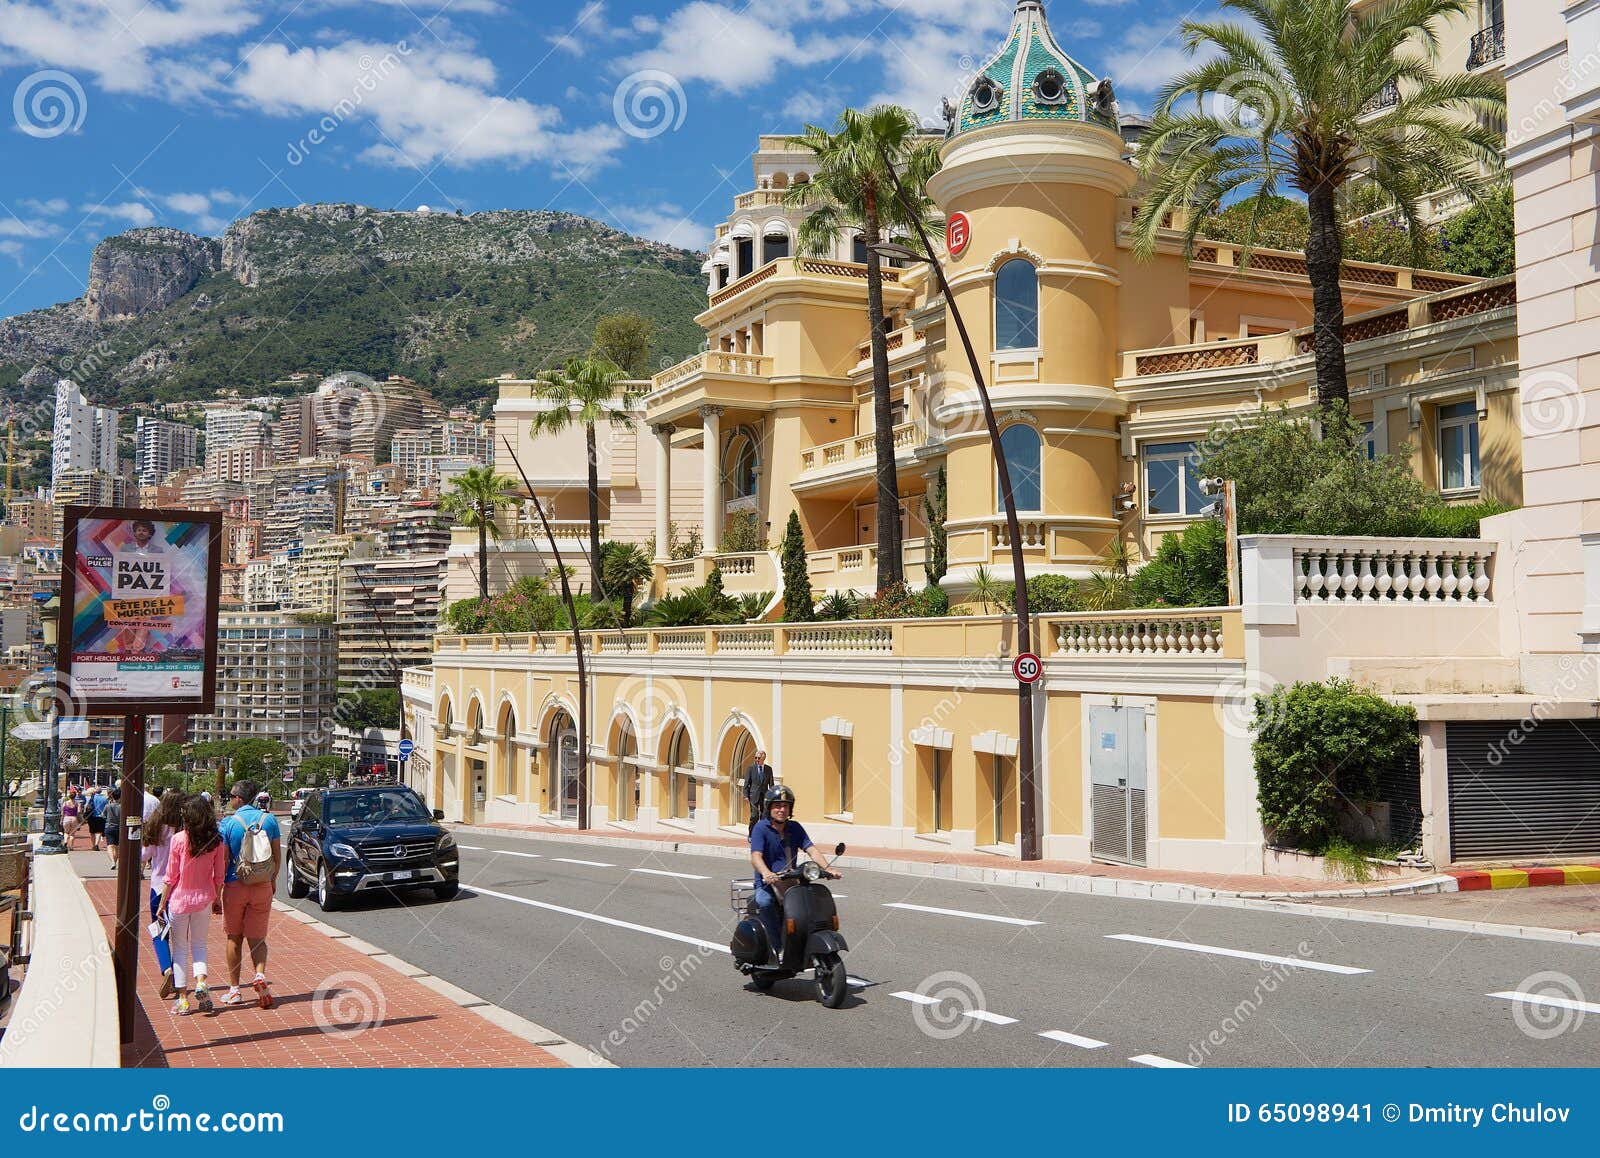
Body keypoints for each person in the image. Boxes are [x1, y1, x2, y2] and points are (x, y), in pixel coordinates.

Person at [748, 784, 839, 956]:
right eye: (777, 806)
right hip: (767, 884)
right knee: (765, 902)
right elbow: (756, 856)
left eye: (785, 806)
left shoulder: (795, 828)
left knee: (810, 902)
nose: (781, 809)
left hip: (790, 882)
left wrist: (828, 869)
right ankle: (778, 947)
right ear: (769, 807)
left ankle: (805, 942)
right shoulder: (760, 828)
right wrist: (766, 873)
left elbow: (811, 849)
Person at [157, 795, 227, 1015]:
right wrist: (217, 898)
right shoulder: (216, 840)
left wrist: (162, 903)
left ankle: (183, 998)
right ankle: (201, 982)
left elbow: (170, 876)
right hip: (203, 899)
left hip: (179, 899)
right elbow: (219, 876)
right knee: (199, 945)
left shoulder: (178, 840)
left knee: (179, 949)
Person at [218, 779, 281, 1008]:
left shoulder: (228, 823)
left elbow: (223, 860)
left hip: (235, 885)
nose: (230, 799)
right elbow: (276, 856)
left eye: (231, 795)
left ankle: (235, 990)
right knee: (258, 938)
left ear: (238, 798)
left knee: (234, 937)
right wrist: (272, 881)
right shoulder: (269, 820)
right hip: (262, 885)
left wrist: (218, 892)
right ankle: (260, 975)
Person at [144, 790, 186, 999]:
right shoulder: (186, 829)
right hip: (182, 889)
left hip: (159, 886)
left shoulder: (157, 828)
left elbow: (144, 855)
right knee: (180, 937)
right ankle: (180, 980)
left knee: (159, 932)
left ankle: (166, 968)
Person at [743, 749, 774, 835]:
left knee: (764, 817)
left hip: (764, 796)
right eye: (755, 757)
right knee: (754, 816)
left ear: (763, 758)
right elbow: (747, 782)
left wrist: (772, 796)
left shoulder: (768, 769)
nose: (756, 759)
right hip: (753, 796)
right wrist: (746, 795)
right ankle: (751, 834)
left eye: (758, 758)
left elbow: (771, 784)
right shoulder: (750, 768)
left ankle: (762, 834)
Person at [103, 788, 122, 869]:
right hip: (119, 827)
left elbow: (103, 815)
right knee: (117, 847)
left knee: (110, 846)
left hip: (109, 827)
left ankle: (112, 862)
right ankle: (115, 861)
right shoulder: (122, 807)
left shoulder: (108, 806)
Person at [87, 786, 108, 851]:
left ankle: (93, 845)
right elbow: (106, 807)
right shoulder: (105, 798)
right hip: (101, 817)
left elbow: (87, 806)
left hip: (92, 816)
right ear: (101, 791)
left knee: (92, 832)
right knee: (99, 832)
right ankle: (96, 844)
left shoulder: (92, 797)